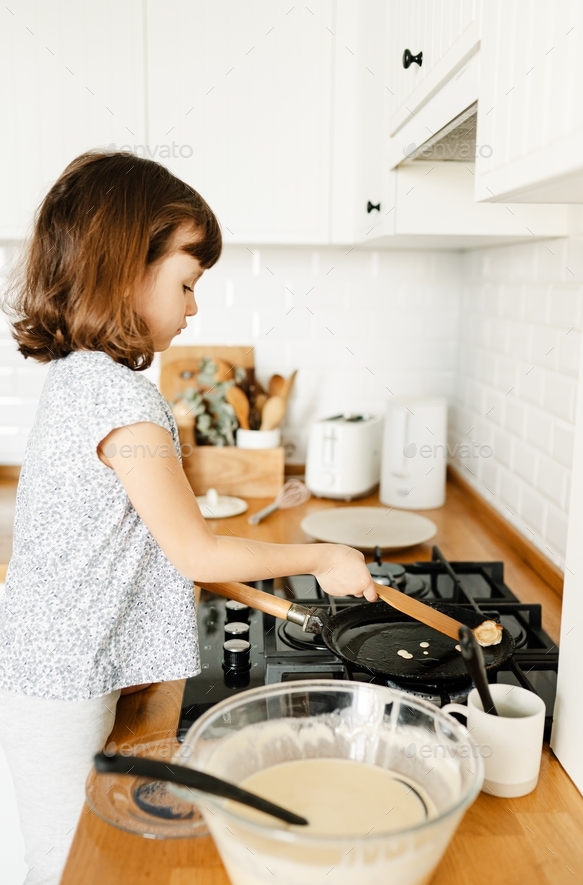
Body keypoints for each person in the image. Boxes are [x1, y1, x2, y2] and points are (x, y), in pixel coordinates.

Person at [0, 150, 376, 885]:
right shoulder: (120, 398)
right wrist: (323, 556)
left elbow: (150, 535)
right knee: (69, 861)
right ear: (123, 270)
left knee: (65, 846)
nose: (194, 306)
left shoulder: (82, 375)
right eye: (187, 283)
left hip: (58, 662)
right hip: (63, 676)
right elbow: (197, 554)